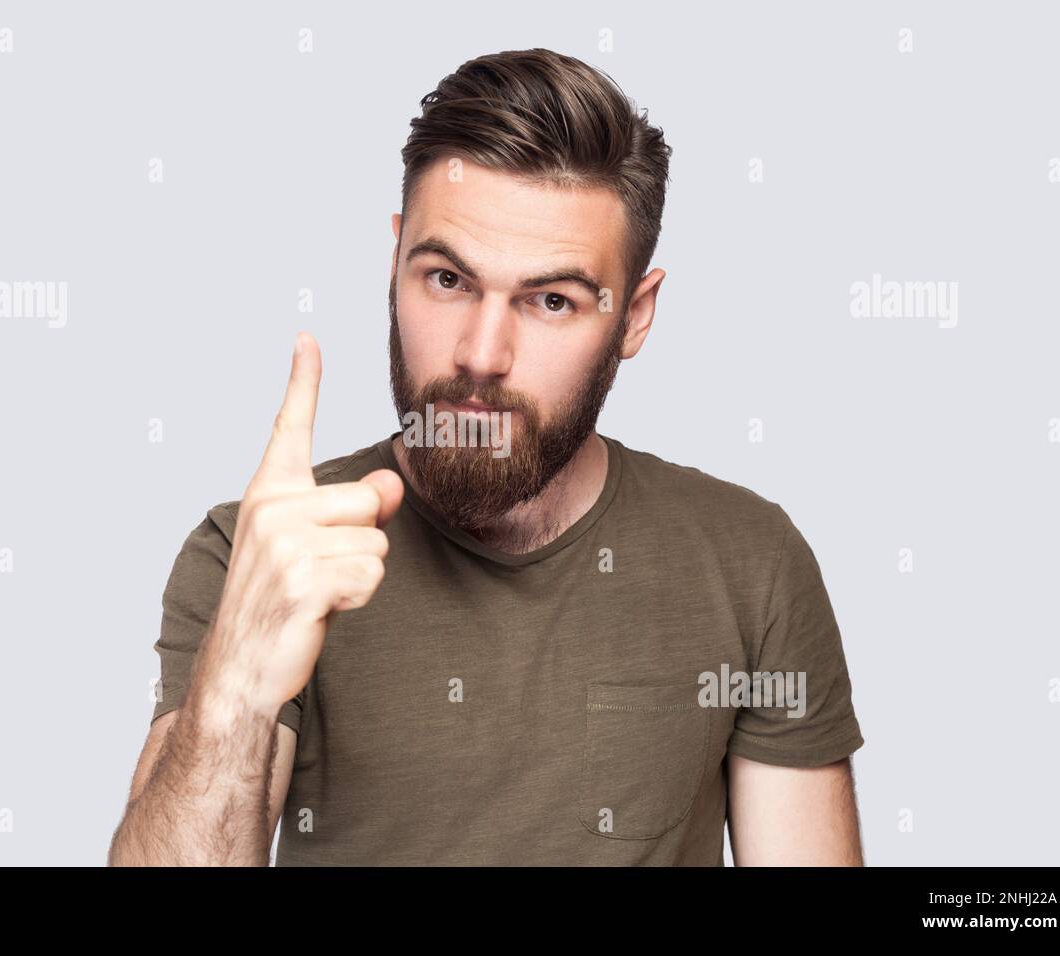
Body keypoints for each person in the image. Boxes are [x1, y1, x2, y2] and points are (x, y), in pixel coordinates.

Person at [108, 48, 865, 866]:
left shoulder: (751, 562)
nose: (481, 353)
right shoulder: (259, 555)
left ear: (635, 316)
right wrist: (238, 685)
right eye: (446, 280)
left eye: (550, 301)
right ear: (395, 260)